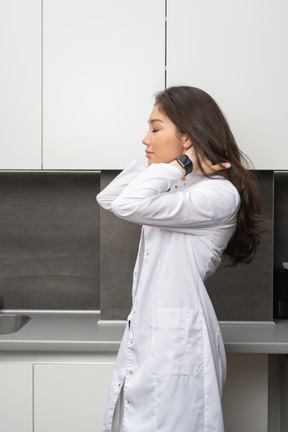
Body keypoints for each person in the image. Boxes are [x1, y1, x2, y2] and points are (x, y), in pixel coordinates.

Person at [96, 86, 264, 432]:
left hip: (178, 344)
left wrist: (180, 165)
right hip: (154, 336)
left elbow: (129, 205)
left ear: (186, 138)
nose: (145, 139)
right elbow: (110, 198)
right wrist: (178, 167)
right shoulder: (182, 185)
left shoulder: (218, 194)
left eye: (155, 128)